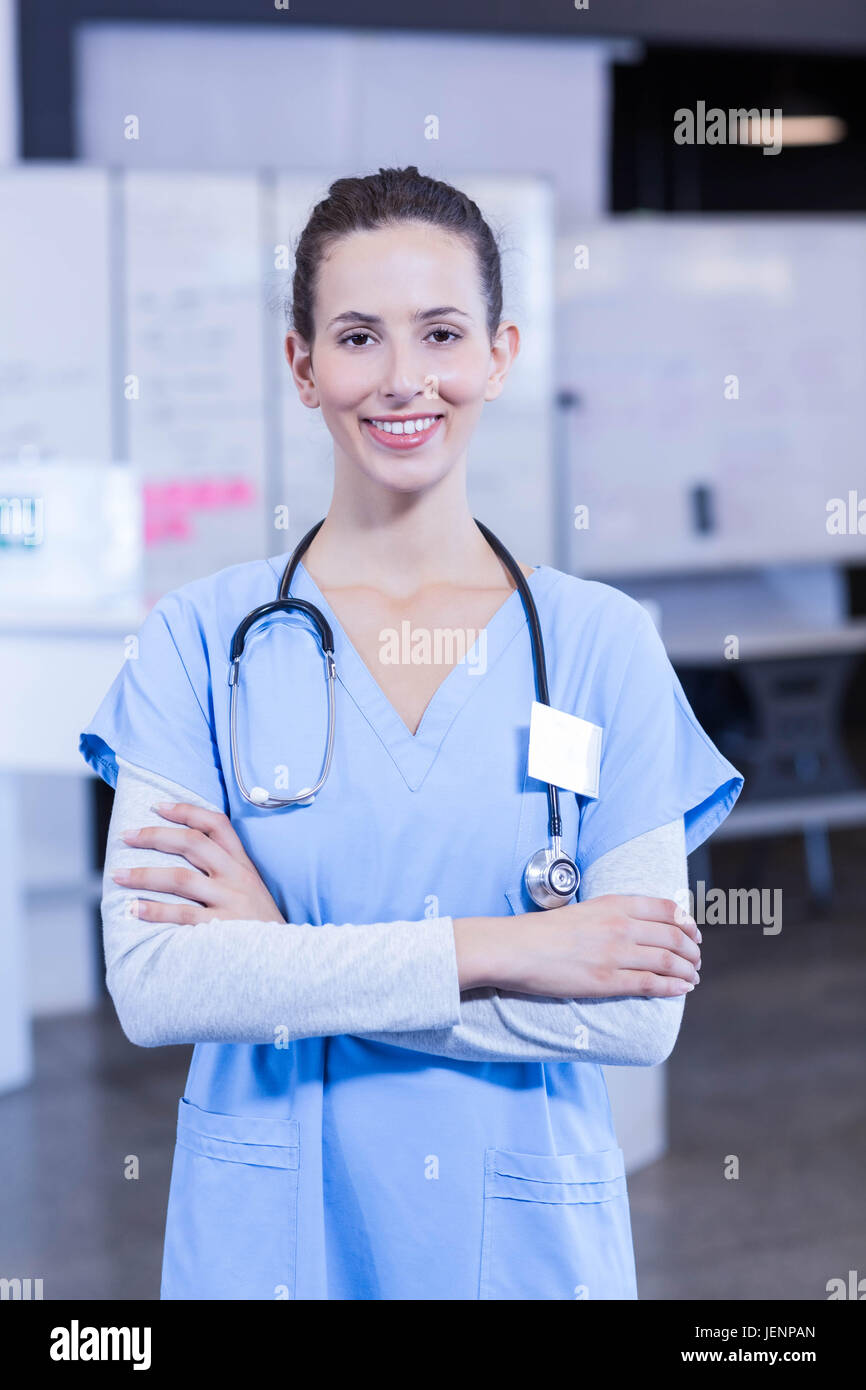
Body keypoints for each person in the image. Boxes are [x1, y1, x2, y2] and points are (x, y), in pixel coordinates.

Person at [80, 165, 743, 1301]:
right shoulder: (195, 642)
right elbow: (159, 985)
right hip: (272, 1243)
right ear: (302, 366)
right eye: (355, 337)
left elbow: (634, 1015)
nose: (402, 380)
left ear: (498, 353)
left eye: (439, 333)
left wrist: (285, 953)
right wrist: (509, 949)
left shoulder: (599, 645)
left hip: (520, 1253)